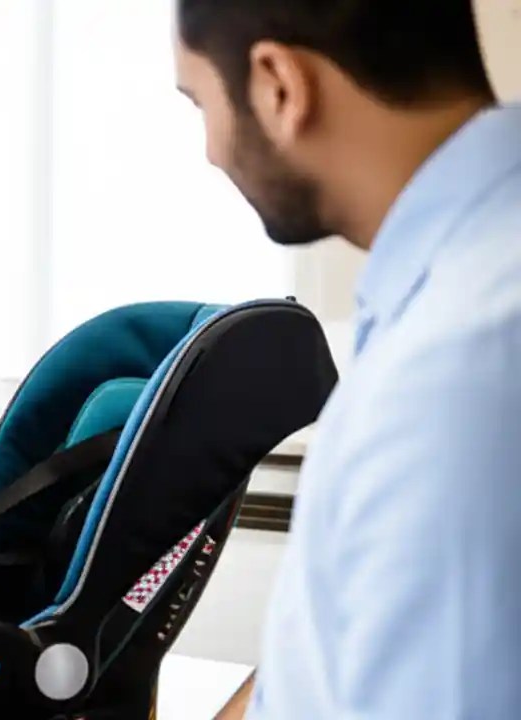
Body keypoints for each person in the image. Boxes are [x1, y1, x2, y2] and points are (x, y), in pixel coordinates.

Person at [172, 0, 521, 717]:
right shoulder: (466, 286)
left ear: (278, 86)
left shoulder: (451, 381)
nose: (208, 149)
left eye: (198, 100)